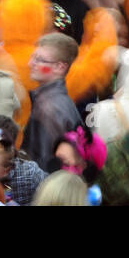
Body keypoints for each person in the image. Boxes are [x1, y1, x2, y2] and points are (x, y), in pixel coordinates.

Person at [21, 32, 81, 171]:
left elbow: (43, 165)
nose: (30, 63)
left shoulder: (48, 109)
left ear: (60, 67)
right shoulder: (56, 100)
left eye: (39, 60)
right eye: (32, 57)